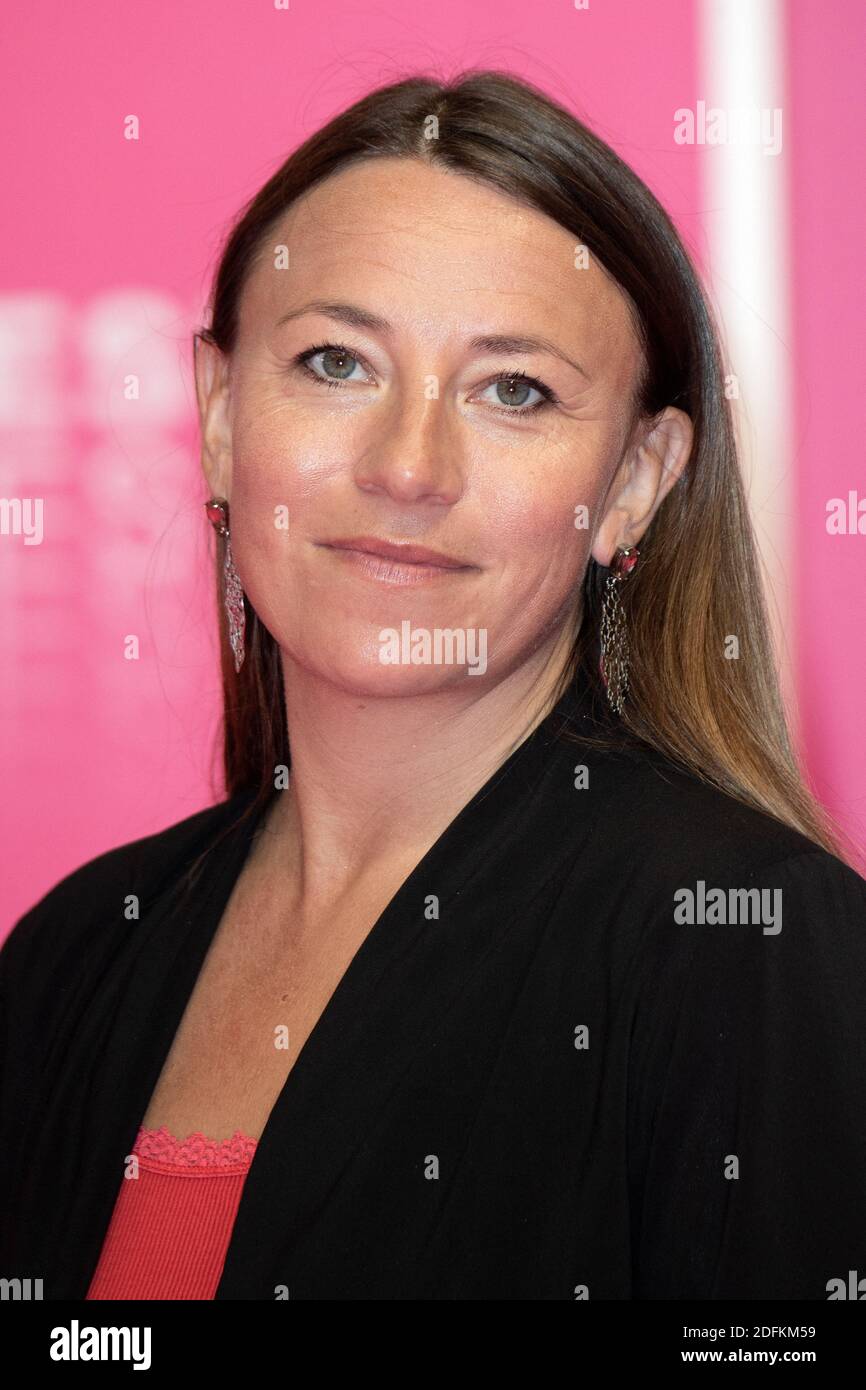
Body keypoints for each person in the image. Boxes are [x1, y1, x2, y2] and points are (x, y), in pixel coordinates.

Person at [2, 69, 865, 1302]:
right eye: (335, 363)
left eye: (513, 390)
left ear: (632, 480)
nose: (408, 466)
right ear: (217, 414)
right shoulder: (74, 955)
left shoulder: (746, 950)